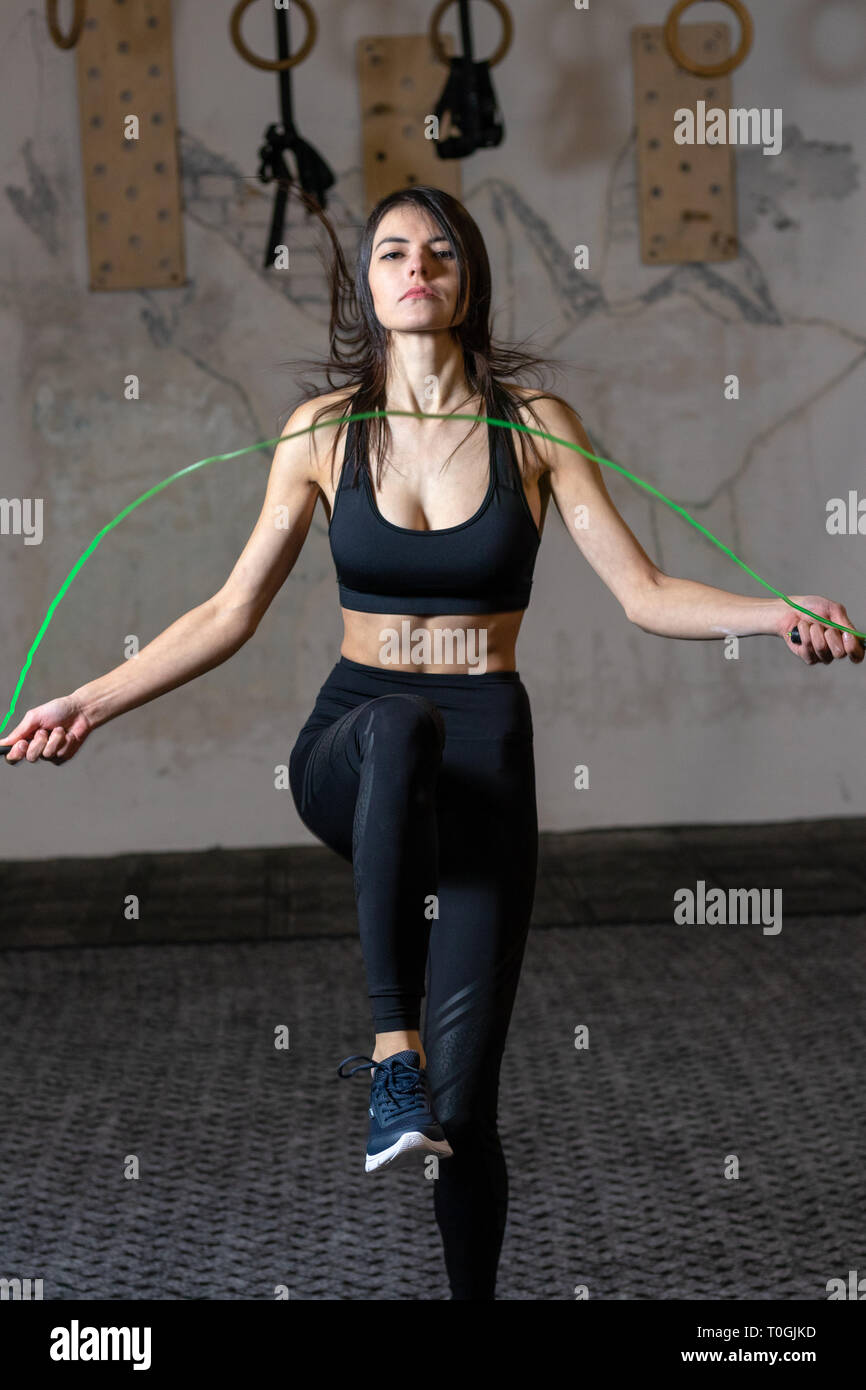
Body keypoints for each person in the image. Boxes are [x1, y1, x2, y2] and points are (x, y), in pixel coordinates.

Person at [4, 186, 862, 1302]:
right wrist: (91, 700)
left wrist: (775, 609)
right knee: (399, 725)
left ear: (467, 281)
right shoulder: (322, 432)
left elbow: (644, 593)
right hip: (354, 748)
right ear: (368, 284)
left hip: (485, 762)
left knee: (466, 1114)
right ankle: (385, 1052)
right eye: (394, 251)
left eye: (440, 251)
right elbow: (228, 611)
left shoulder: (535, 428)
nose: (418, 265)